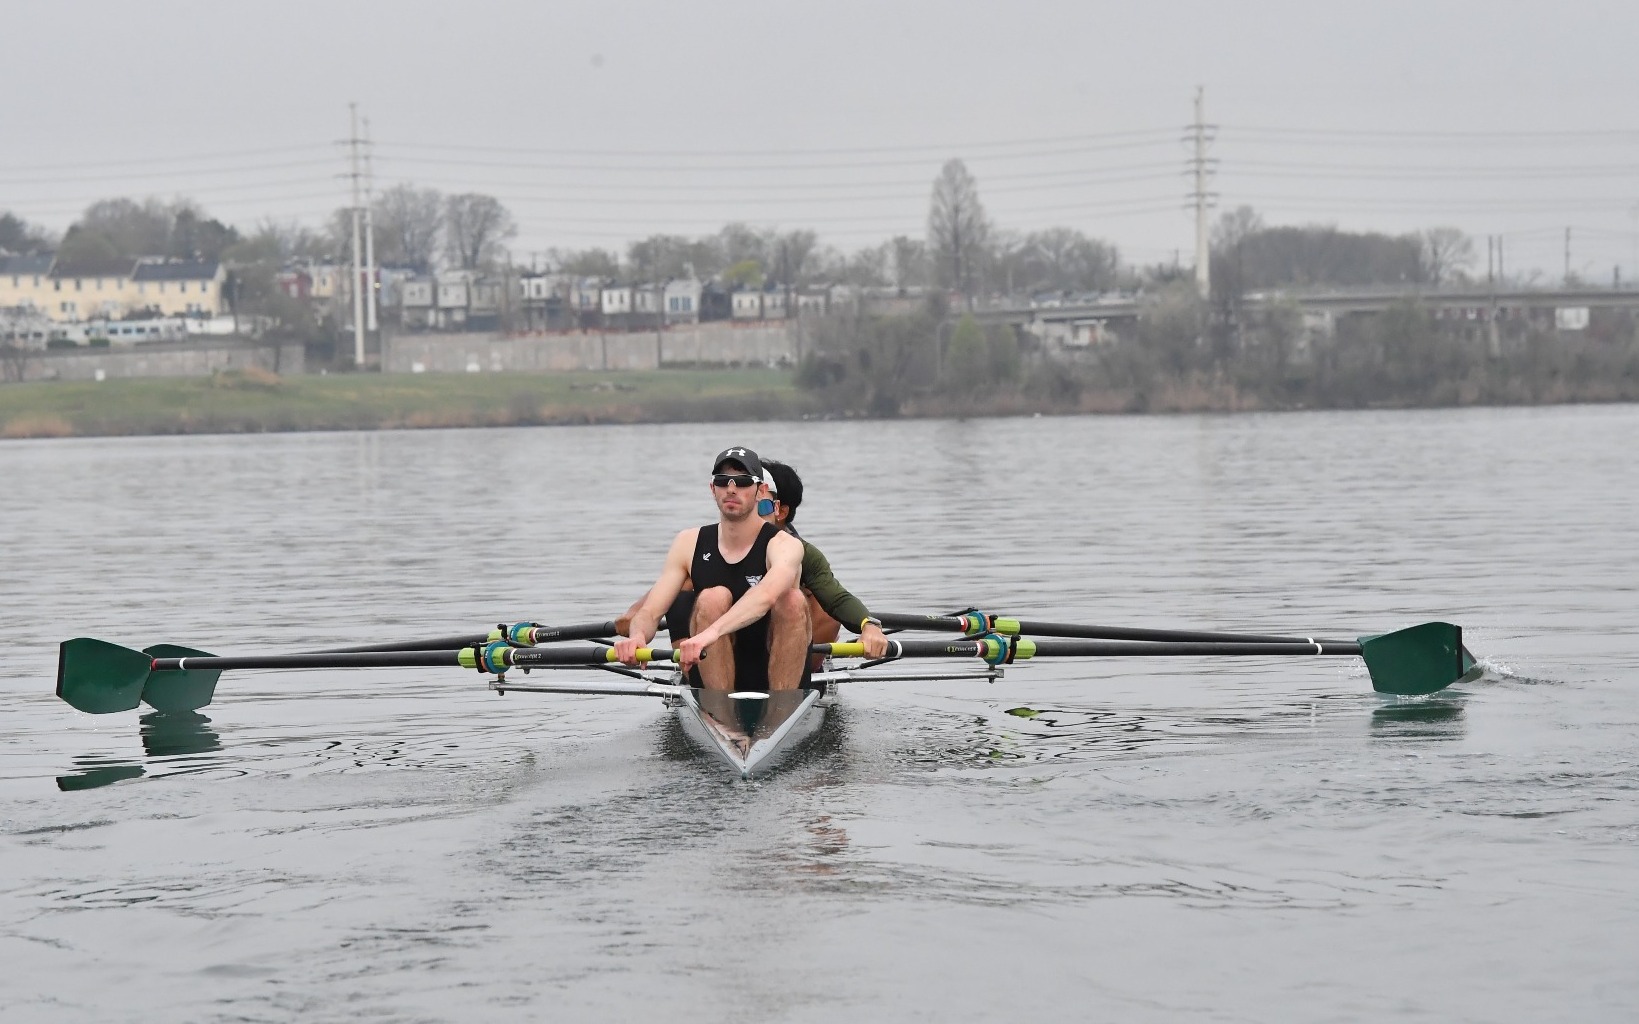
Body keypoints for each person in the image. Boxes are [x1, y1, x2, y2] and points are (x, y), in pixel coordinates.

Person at [613, 447, 811, 691]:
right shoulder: (687, 542)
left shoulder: (784, 545)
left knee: (792, 599)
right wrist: (637, 636)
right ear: (712, 489)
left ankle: (783, 706)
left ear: (760, 491)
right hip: (711, 667)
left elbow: (766, 594)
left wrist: (711, 633)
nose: (731, 489)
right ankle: (718, 708)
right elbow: (651, 612)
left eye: (742, 481)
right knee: (712, 598)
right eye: (722, 481)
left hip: (775, 668)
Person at [759, 459, 890, 662]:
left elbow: (836, 599)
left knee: (819, 605)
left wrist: (869, 625)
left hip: (783, 641)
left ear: (779, 510)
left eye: (759, 502)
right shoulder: (716, 541)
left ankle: (803, 668)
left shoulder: (801, 552)